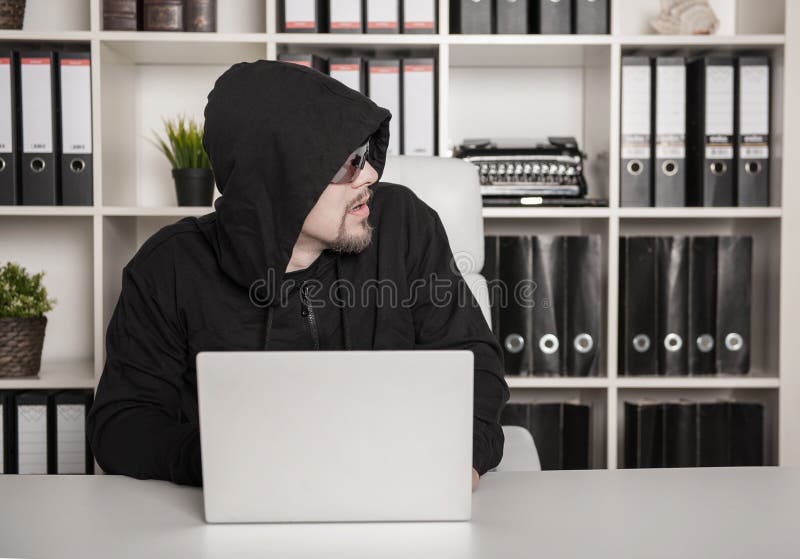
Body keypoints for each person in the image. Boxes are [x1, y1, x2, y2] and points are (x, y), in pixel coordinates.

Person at [87, 60, 510, 492]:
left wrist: (463, 458)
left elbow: (476, 369)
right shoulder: (169, 266)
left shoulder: (405, 224)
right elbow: (121, 426)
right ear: (280, 184)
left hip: (391, 494)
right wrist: (235, 458)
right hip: (242, 509)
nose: (370, 175)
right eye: (348, 164)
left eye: (364, 155)